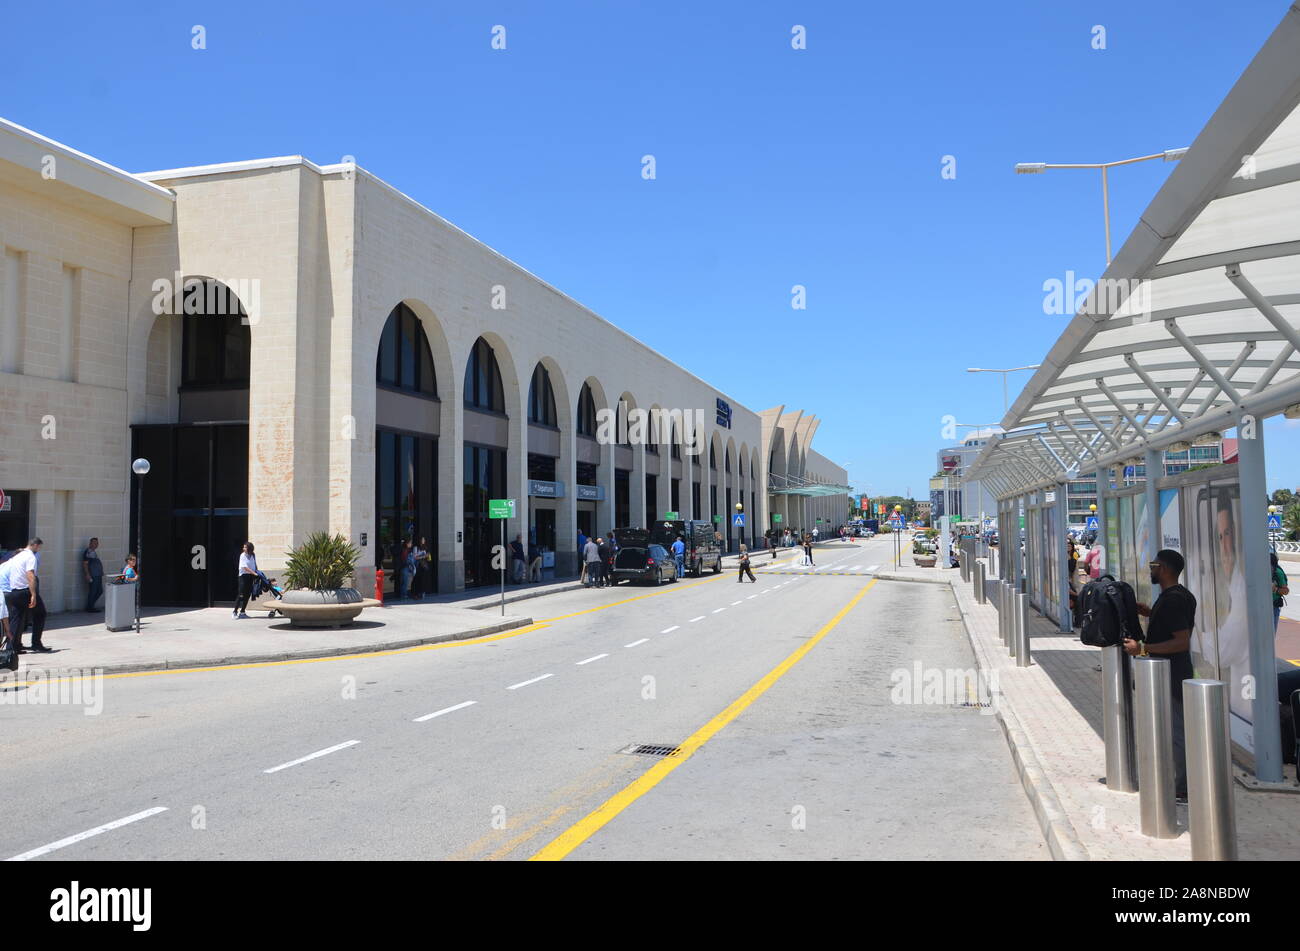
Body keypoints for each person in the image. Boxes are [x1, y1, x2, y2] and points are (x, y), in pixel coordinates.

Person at [1125, 548, 1196, 802]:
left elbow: (1181, 641)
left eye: (1153, 565)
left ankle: (1183, 789)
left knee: (1177, 733)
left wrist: (1142, 648)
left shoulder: (1173, 600)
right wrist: (1150, 613)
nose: (1150, 569)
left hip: (1171, 676)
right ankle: (1176, 782)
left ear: (1163, 569)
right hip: (1170, 674)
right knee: (1171, 731)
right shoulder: (1179, 596)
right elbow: (1173, 627)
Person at [0, 538, 50, 653]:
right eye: (39, 547)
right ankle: (36, 643)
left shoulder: (16, 557)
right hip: (24, 591)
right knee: (40, 614)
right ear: (36, 545)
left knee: (16, 619)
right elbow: (30, 575)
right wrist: (33, 594)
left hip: (14, 591)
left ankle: (12, 647)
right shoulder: (30, 557)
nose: (39, 550)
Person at [234, 542, 258, 619]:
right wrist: (254, 573)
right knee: (241, 594)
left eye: (245, 547)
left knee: (247, 594)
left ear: (249, 548)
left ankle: (242, 612)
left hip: (251, 576)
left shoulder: (253, 555)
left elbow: (254, 564)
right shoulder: (242, 555)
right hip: (243, 576)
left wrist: (257, 572)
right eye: (243, 547)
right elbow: (244, 567)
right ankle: (235, 612)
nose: (243, 548)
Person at [82, 536, 104, 612]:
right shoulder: (88, 552)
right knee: (94, 591)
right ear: (90, 543)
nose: (96, 544)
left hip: (98, 575)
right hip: (93, 575)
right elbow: (85, 564)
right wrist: (87, 574)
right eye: (94, 543)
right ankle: (90, 607)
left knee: (99, 591)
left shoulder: (93, 551)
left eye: (97, 543)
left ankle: (90, 606)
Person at [1272, 552, 1290, 632]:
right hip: (1261, 605)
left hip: (1273, 606)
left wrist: (1275, 589)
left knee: (1271, 632)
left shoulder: (1278, 573)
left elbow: (1286, 591)